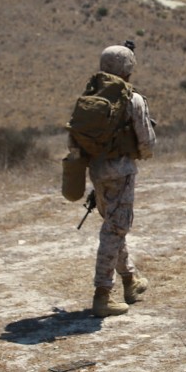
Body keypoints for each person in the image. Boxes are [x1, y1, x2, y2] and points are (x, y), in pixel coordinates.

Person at [78, 44, 156, 316]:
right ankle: (102, 295)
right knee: (114, 230)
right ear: (128, 69)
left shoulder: (90, 98)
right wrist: (138, 152)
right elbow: (147, 143)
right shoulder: (133, 100)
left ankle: (130, 281)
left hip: (96, 172)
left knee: (115, 226)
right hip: (121, 173)